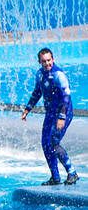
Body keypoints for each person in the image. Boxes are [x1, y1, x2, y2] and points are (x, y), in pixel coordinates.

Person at [22, 47, 79, 186]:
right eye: (44, 61)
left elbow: (66, 97)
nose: (47, 63)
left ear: (53, 59)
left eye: (49, 60)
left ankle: (72, 173)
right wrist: (27, 109)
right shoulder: (40, 75)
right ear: (39, 62)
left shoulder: (59, 75)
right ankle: (55, 177)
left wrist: (61, 117)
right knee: (45, 144)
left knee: (53, 141)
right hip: (50, 113)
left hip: (63, 112)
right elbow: (37, 93)